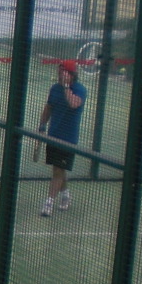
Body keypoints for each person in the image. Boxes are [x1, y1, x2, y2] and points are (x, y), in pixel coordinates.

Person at [35, 58, 86, 217]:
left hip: (68, 138)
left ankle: (48, 203)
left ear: (71, 74)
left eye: (62, 73)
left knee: (58, 169)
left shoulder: (80, 90)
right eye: (58, 72)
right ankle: (65, 196)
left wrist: (65, 87)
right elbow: (48, 108)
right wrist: (42, 126)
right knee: (58, 168)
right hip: (53, 135)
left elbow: (73, 104)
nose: (59, 76)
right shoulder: (54, 89)